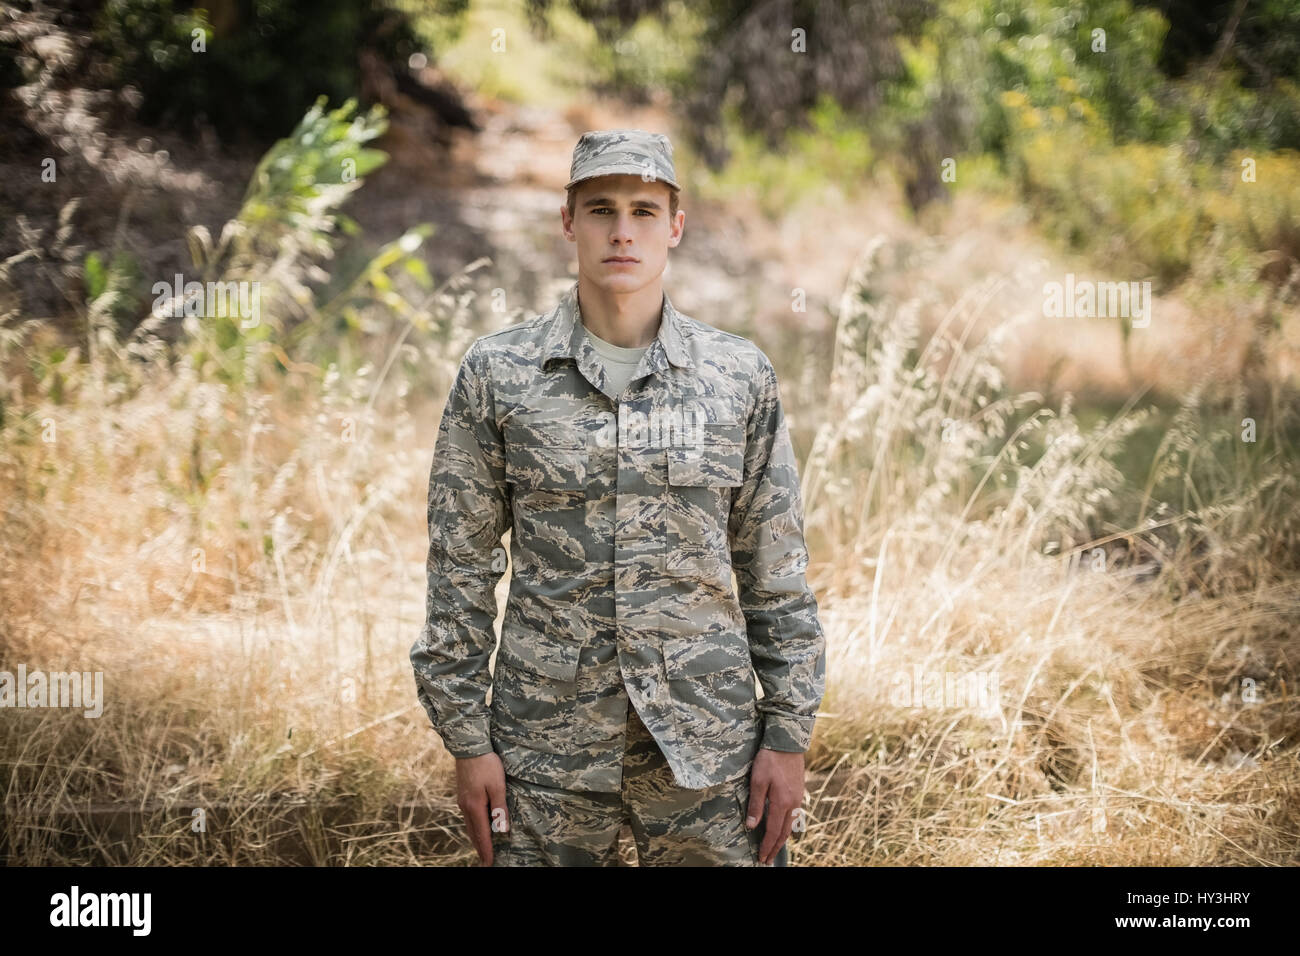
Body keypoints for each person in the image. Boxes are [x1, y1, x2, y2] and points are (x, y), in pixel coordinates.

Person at [410, 128, 826, 866]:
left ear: (676, 226)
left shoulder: (736, 377)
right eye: (601, 209)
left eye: (643, 210)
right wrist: (468, 741)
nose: (622, 231)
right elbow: (460, 572)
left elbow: (776, 572)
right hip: (546, 753)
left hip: (710, 749)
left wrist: (788, 736)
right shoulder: (500, 374)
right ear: (569, 223)